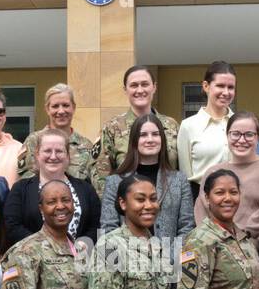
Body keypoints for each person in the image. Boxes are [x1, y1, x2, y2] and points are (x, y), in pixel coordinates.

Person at [100, 113, 194, 245]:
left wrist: (170, 260)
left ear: (162, 139)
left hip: (171, 261)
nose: (150, 139)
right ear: (134, 140)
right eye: (143, 135)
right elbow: (108, 228)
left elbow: (187, 226)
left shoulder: (179, 180)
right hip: (127, 260)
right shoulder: (115, 182)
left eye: (155, 134)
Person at [193, 112, 259, 247]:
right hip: (218, 249)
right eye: (235, 134)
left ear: (258, 137)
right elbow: (202, 214)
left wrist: (241, 241)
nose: (241, 140)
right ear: (227, 136)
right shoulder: (213, 172)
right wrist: (221, 243)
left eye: (249, 134)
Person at [94, 64, 181, 196]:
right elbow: (100, 174)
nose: (140, 90)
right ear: (125, 90)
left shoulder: (172, 126)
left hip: (169, 202)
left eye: (145, 84)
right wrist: (115, 204)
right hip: (127, 207)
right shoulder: (112, 128)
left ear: (154, 87)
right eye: (134, 85)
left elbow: (181, 169)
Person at [5, 128, 101, 244]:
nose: (53, 156)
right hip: (34, 258)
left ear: (68, 156)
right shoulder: (20, 189)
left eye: (59, 151)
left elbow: (97, 226)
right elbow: (12, 227)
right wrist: (46, 247)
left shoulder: (86, 189)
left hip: (80, 258)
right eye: (47, 151)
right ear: (37, 155)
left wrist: (83, 245)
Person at [177, 61, 237, 194]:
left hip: (237, 199)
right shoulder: (188, 126)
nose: (226, 92)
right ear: (206, 86)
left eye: (231, 87)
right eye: (220, 86)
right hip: (200, 197)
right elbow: (184, 175)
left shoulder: (239, 124)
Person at [17, 84, 95, 183]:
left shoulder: (86, 145)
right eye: (55, 106)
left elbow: (92, 182)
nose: (61, 111)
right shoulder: (34, 141)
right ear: (47, 109)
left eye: (66, 105)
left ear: (73, 107)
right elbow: (25, 178)